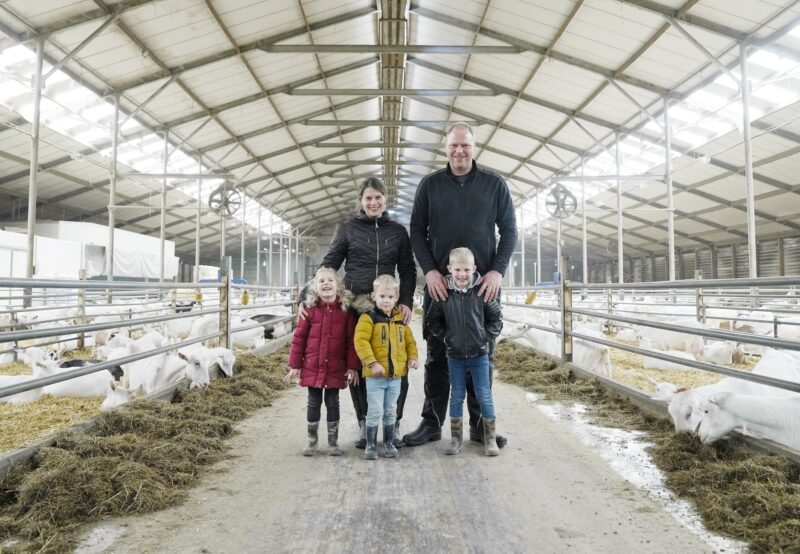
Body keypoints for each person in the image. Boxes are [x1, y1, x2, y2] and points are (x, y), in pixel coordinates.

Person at [405, 122, 517, 448]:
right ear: (445, 148)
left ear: (474, 147)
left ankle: (482, 426)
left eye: (465, 146)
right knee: (437, 359)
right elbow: (416, 232)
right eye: (454, 146)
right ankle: (431, 424)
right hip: (441, 289)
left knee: (482, 358)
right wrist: (430, 272)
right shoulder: (430, 186)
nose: (459, 151)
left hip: (483, 290)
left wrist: (496, 272)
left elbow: (509, 232)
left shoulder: (494, 185)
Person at [302, 177, 416, 449]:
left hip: (388, 305)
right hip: (358, 305)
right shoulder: (347, 229)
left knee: (395, 363)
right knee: (360, 365)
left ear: (385, 199)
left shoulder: (398, 231)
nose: (373, 203)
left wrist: (407, 301)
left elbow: (408, 269)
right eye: (368, 198)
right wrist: (304, 297)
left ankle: (393, 422)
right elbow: (329, 263)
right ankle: (366, 423)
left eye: (378, 197)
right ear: (361, 201)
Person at [426, 248, 503, 456]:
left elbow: (496, 320)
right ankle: (456, 439)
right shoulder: (444, 295)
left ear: (474, 269)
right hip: (455, 356)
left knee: (484, 395)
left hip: (479, 355)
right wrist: (447, 338)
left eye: (466, 269)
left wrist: (484, 338)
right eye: (457, 269)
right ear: (449, 269)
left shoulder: (482, 292)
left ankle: (490, 440)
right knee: (457, 395)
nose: (462, 274)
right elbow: (432, 320)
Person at [285, 267, 361, 456]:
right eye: (321, 281)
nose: (326, 283)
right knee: (313, 402)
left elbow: (352, 342)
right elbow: (299, 338)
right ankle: (312, 442)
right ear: (315, 288)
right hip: (313, 365)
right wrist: (295, 365)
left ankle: (333, 443)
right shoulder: (309, 311)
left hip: (335, 366)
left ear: (338, 286)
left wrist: (352, 366)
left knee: (333, 402)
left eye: (330, 280)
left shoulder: (346, 313)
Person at [353, 275, 419, 460]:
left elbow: (410, 342)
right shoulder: (368, 318)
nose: (386, 301)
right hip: (375, 378)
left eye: (390, 297)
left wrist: (413, 357)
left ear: (397, 297)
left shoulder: (400, 320)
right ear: (374, 296)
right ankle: (371, 444)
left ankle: (389, 442)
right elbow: (360, 341)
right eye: (382, 296)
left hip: (395, 377)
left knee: (391, 409)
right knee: (374, 410)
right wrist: (371, 363)